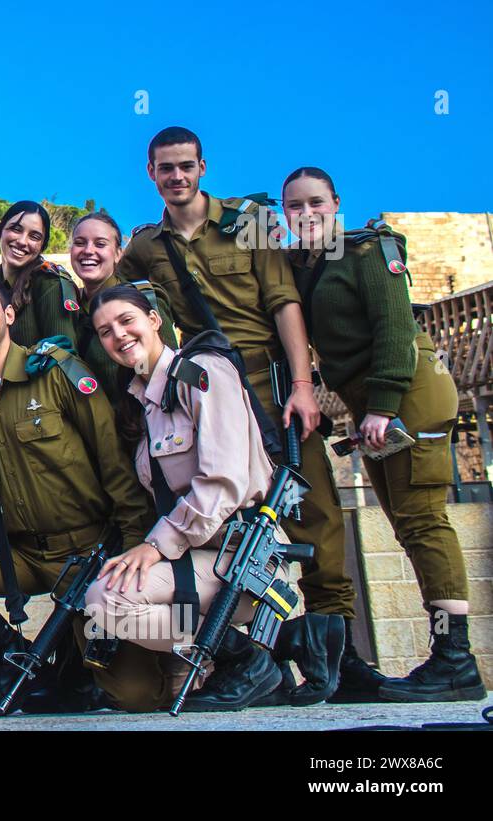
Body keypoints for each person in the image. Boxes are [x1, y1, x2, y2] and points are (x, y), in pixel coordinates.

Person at [116, 126, 353, 690]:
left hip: (269, 390)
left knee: (314, 511)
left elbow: (283, 302)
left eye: (186, 166)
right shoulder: (147, 246)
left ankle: (340, 657)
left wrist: (301, 383)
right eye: (165, 168)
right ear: (151, 173)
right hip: (208, 398)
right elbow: (117, 300)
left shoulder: (250, 222)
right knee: (232, 517)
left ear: (203, 167)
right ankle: (247, 652)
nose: (176, 177)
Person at [0, 273, 157, 716]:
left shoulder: (56, 371)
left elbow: (113, 464)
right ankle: (10, 650)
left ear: (8, 314)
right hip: (15, 554)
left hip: (87, 553)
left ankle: (75, 662)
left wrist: (134, 546)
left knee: (135, 695)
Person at [281, 167, 484, 703]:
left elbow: (395, 326)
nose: (306, 214)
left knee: (422, 520)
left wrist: (384, 404)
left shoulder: (369, 251)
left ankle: (455, 661)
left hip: (408, 397)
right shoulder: (304, 267)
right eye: (295, 206)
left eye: (316, 203)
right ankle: (449, 659)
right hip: (372, 407)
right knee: (405, 523)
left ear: (336, 204)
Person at [82, 285, 336, 710]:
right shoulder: (144, 400)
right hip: (202, 559)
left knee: (108, 601)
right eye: (105, 331)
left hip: (240, 557)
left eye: (127, 320)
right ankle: (263, 647)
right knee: (107, 602)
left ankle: (246, 658)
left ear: (154, 320)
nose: (119, 335)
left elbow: (223, 480)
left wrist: (154, 546)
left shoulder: (200, 372)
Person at [68, 213, 178, 389]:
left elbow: (168, 369)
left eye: (100, 244)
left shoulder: (142, 298)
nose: (88, 250)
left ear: (118, 254)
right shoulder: (68, 304)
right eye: (80, 243)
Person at [0, 200, 82, 349]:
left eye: (34, 236)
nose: (22, 241)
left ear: (42, 246)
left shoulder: (50, 284)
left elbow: (62, 357)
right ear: (0, 230)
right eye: (16, 229)